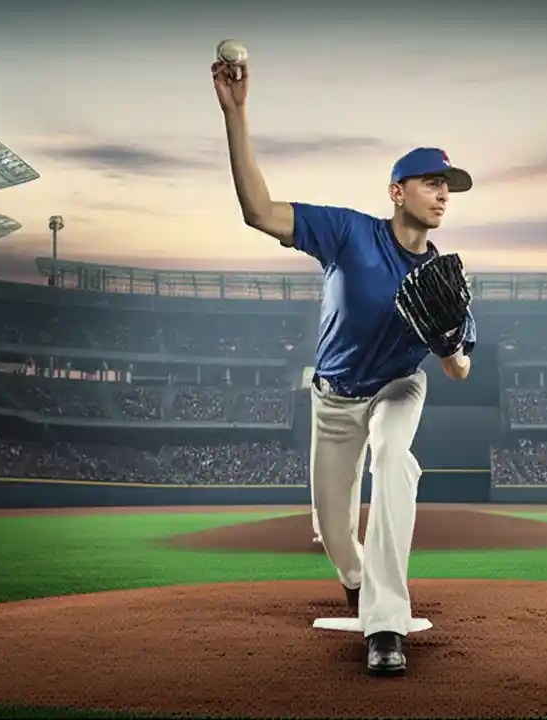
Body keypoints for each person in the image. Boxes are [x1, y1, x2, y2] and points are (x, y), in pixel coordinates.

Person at [212, 56, 476, 676]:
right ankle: (357, 581)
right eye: (431, 182)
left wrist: (446, 344)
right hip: (332, 397)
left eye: (449, 186)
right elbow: (258, 211)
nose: (443, 194)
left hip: (398, 388)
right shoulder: (347, 233)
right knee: (333, 529)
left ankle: (386, 625)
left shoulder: (446, 280)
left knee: (394, 459)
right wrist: (236, 113)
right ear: (397, 191)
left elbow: (460, 370)